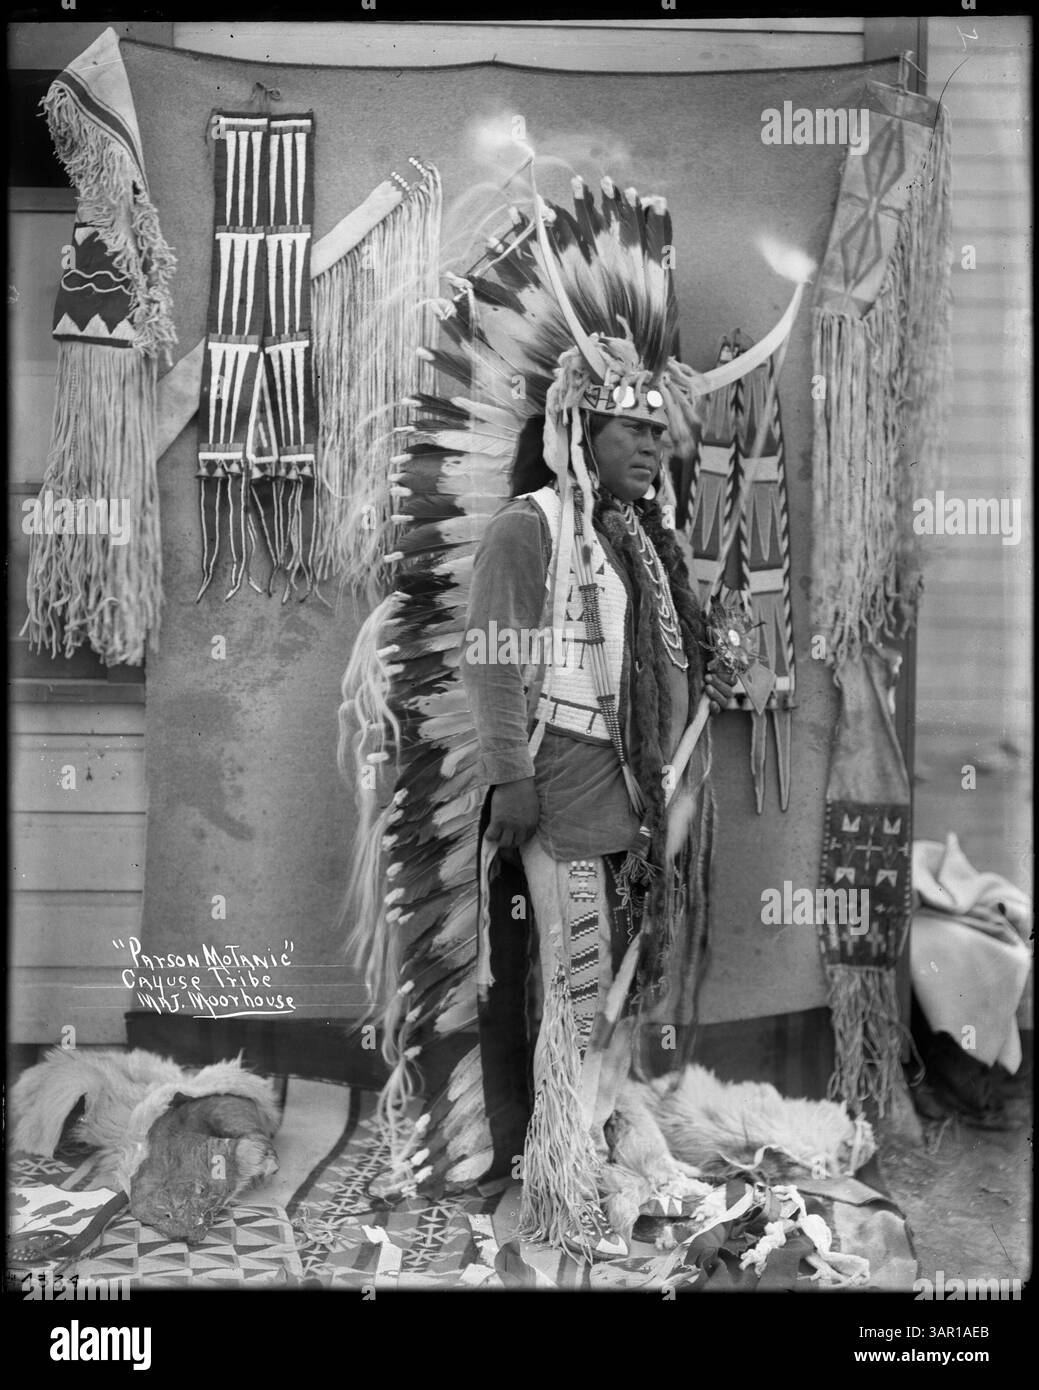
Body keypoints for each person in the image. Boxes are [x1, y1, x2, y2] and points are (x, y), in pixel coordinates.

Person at [460, 387, 736, 1258]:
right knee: (579, 996)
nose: (653, 446)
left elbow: (656, 667)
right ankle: (559, 1180)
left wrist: (714, 677)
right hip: (562, 792)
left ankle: (618, 1149)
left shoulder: (640, 542)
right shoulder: (528, 527)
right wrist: (510, 776)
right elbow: (491, 660)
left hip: (635, 804)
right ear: (579, 432)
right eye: (632, 430)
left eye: (659, 431)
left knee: (618, 993)